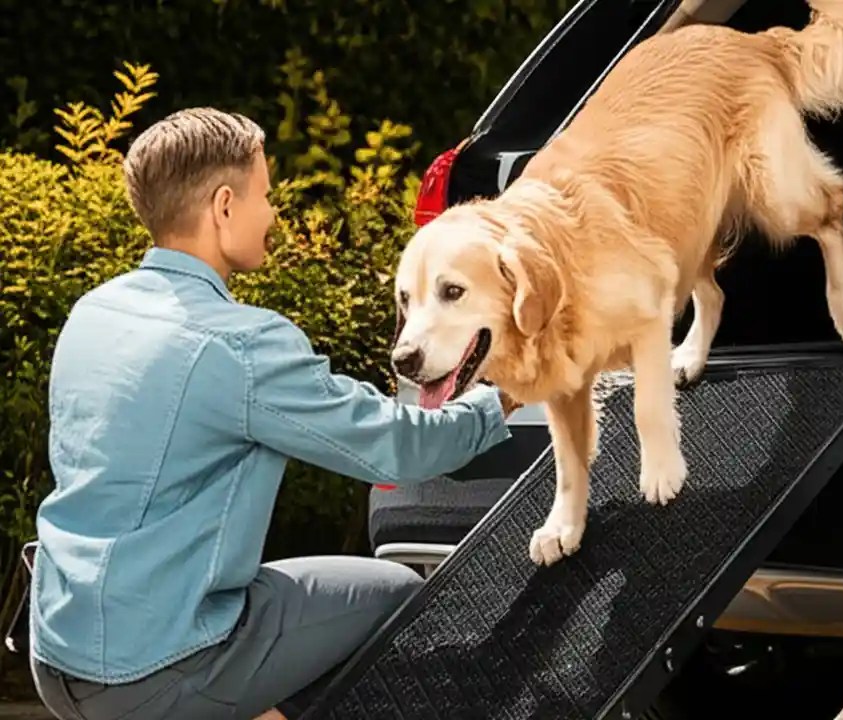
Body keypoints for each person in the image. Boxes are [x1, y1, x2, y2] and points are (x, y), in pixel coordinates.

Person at [27, 107, 515, 720]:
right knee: (402, 596)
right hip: (153, 674)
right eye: (266, 195)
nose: (274, 214)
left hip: (58, 652)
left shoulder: (95, 312)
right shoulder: (238, 344)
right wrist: (501, 399)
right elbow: (401, 446)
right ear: (224, 206)